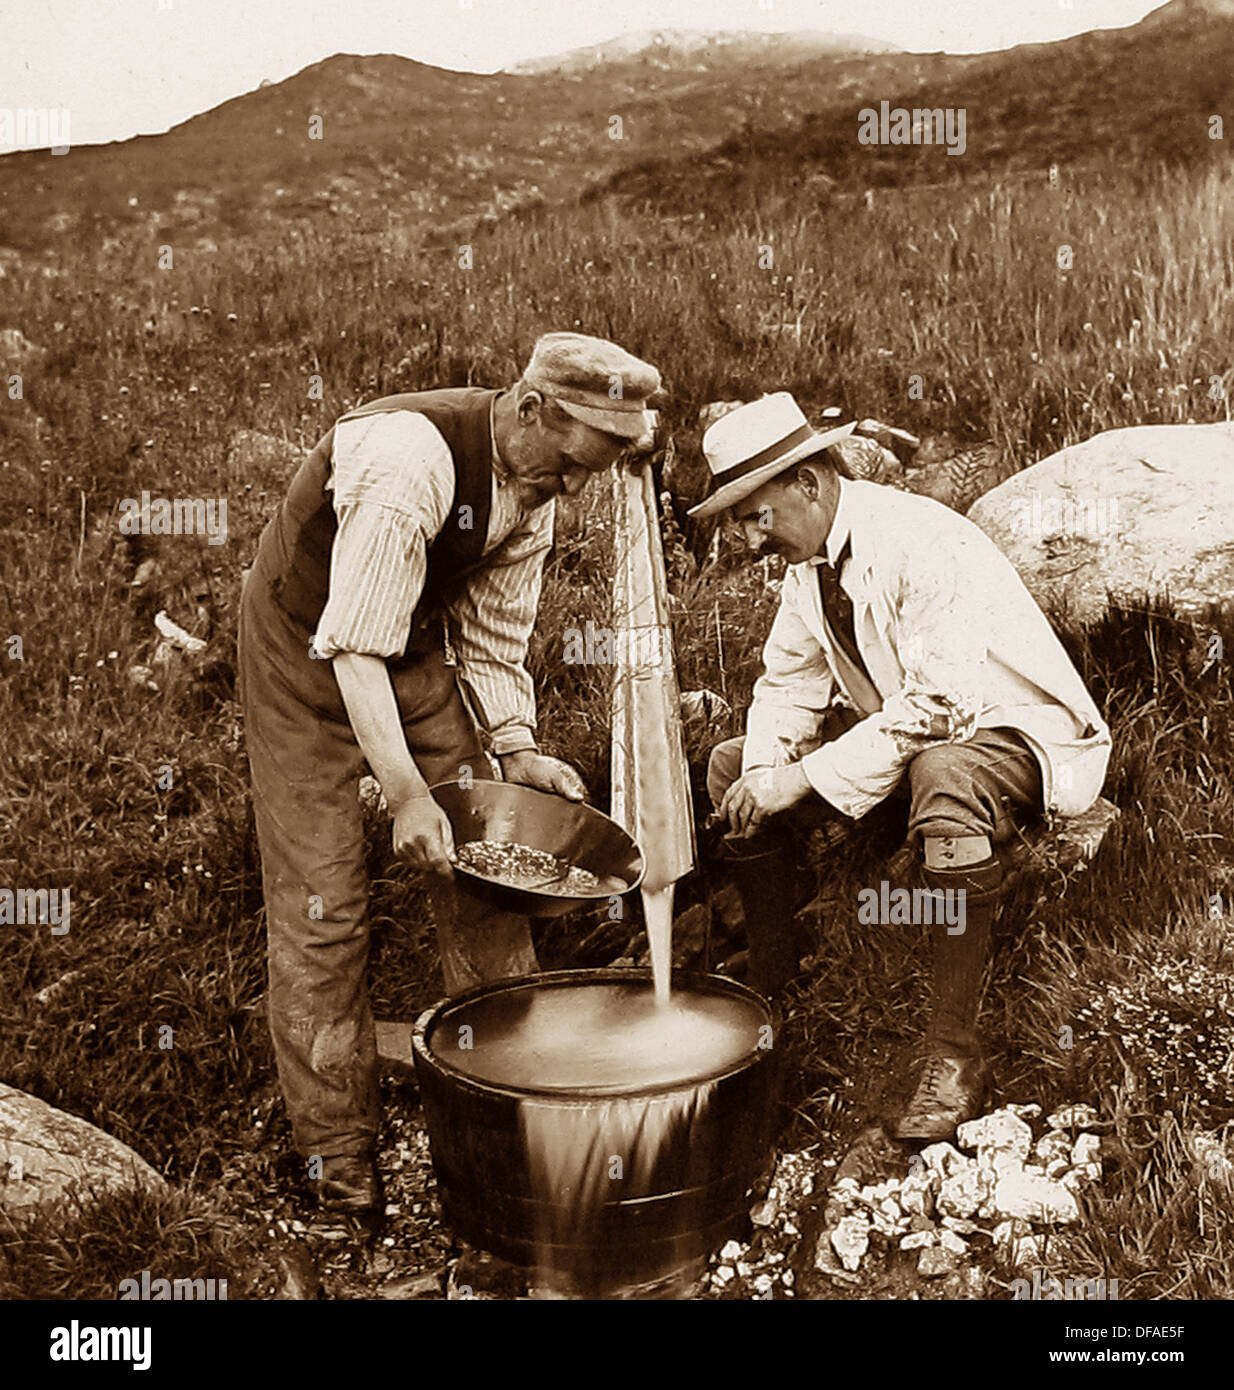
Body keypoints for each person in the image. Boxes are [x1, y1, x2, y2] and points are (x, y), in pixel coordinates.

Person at [238, 332, 661, 1214]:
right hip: (303, 648)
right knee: (324, 907)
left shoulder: (542, 483)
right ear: (531, 408)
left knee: (490, 862)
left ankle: (508, 1099)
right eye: (572, 462)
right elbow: (352, 650)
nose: (574, 488)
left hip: (411, 647)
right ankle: (337, 1156)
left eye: (595, 471)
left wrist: (517, 749)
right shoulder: (408, 464)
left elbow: (495, 640)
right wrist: (406, 797)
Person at [691, 393, 1111, 1141]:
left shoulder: (917, 540)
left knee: (944, 782)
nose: (753, 540)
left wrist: (799, 780)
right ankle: (777, 983)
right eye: (741, 523)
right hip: (911, 731)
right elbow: (788, 685)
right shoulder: (810, 563)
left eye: (758, 517)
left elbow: (942, 706)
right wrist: (763, 773)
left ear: (810, 485)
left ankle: (955, 1054)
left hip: (1008, 730)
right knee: (730, 768)